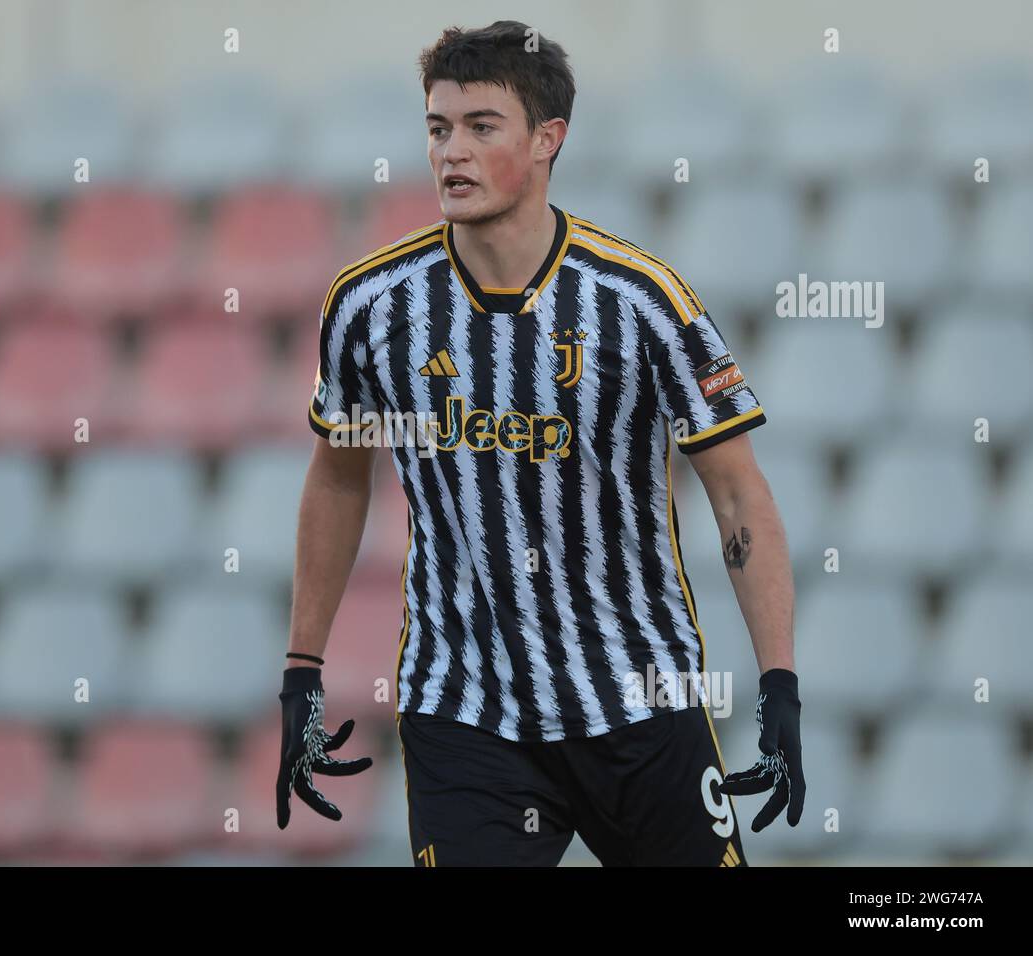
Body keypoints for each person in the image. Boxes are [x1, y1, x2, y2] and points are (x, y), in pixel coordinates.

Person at [276, 19, 803, 866]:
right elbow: (338, 480)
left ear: (548, 139)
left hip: (638, 700)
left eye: (483, 127)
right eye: (439, 128)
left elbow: (738, 490)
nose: (452, 152)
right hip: (465, 712)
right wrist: (303, 668)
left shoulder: (642, 301)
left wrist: (779, 684)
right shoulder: (371, 306)